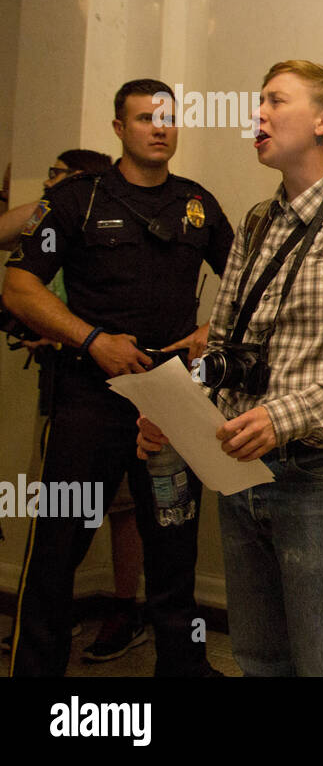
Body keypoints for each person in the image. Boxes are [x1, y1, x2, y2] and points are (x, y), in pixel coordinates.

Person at [140, 60, 323, 676]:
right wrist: (175, 409)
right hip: (241, 476)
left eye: (274, 101)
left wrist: (281, 417)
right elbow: (227, 350)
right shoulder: (256, 223)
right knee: (260, 660)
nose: (257, 114)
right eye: (258, 101)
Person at [3, 80, 232, 677]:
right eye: (144, 119)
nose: (160, 128)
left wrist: (214, 329)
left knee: (174, 546)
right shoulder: (75, 200)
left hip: (172, 400)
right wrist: (91, 340)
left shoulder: (198, 204)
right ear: (118, 129)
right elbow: (19, 286)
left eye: (169, 119)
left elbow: (245, 285)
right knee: (58, 547)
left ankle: (183, 666)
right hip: (88, 395)